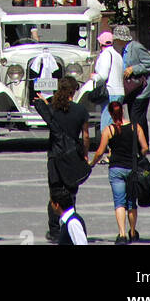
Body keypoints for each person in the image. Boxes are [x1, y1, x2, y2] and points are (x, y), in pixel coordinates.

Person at [33, 76, 90, 243]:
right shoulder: (80, 110)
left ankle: (54, 230)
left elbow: (49, 111)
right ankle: (70, 224)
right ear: (73, 91)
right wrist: (85, 153)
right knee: (71, 191)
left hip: (55, 157)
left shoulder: (54, 109)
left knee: (55, 191)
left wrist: (44, 102)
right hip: (72, 155)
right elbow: (86, 136)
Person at [88, 99, 148, 244]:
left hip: (116, 169)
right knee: (131, 202)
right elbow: (145, 148)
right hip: (132, 168)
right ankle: (133, 232)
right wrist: (139, 156)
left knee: (119, 202)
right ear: (123, 111)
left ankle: (121, 234)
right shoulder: (136, 127)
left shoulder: (109, 130)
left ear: (110, 114)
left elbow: (100, 152)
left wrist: (91, 163)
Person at [112, 23, 150, 141]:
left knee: (137, 118)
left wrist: (133, 69)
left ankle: (142, 144)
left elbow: (149, 63)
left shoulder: (135, 47)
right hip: (132, 89)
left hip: (142, 89)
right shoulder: (123, 49)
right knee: (133, 116)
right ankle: (137, 143)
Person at [90, 29, 126, 130]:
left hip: (110, 92)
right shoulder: (117, 55)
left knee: (106, 123)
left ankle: (106, 144)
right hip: (119, 92)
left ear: (100, 43)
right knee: (117, 122)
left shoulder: (105, 54)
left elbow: (104, 75)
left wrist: (94, 77)